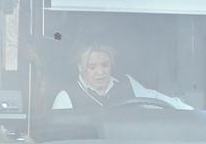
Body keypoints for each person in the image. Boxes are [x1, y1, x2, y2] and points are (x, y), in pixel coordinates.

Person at [51, 43, 190, 110]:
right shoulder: (66, 97)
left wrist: (190, 112)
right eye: (92, 67)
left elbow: (155, 99)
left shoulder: (128, 84)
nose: (100, 72)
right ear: (80, 68)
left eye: (105, 65)